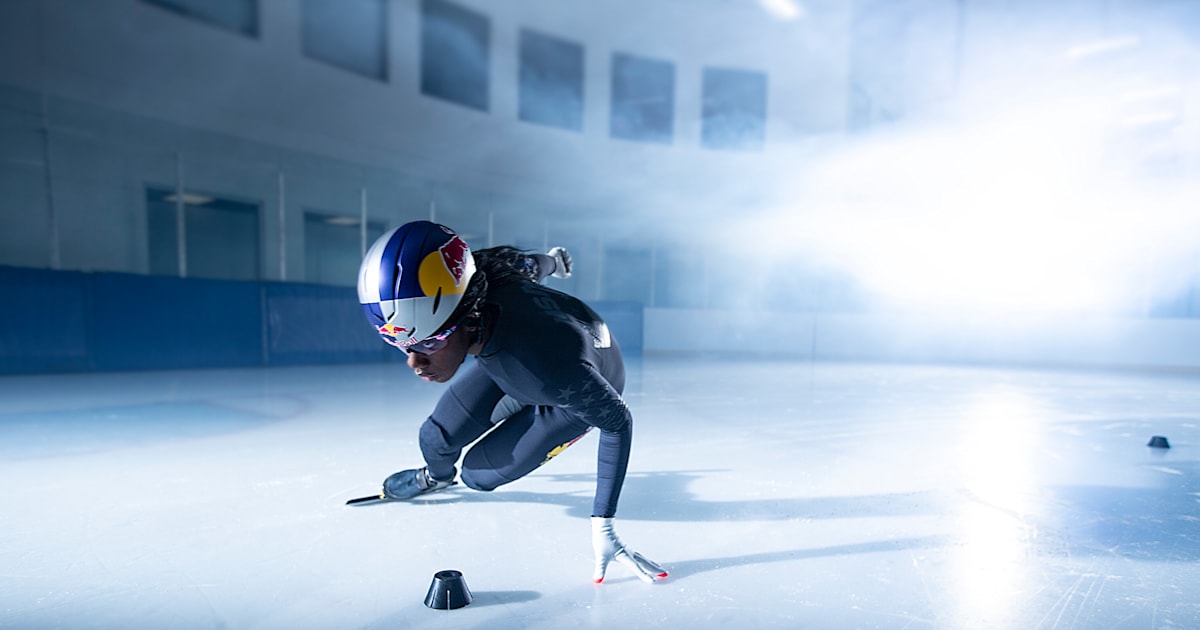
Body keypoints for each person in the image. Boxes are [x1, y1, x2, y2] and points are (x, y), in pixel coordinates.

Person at [356, 220, 667, 584]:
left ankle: (533, 419)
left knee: (477, 476)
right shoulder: (483, 270)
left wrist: (604, 524)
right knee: (434, 439)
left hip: (568, 388)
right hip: (527, 361)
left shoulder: (545, 363)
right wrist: (554, 261)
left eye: (427, 342)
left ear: (468, 317)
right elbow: (531, 264)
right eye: (400, 344)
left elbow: (617, 422)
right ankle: (436, 478)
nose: (413, 362)